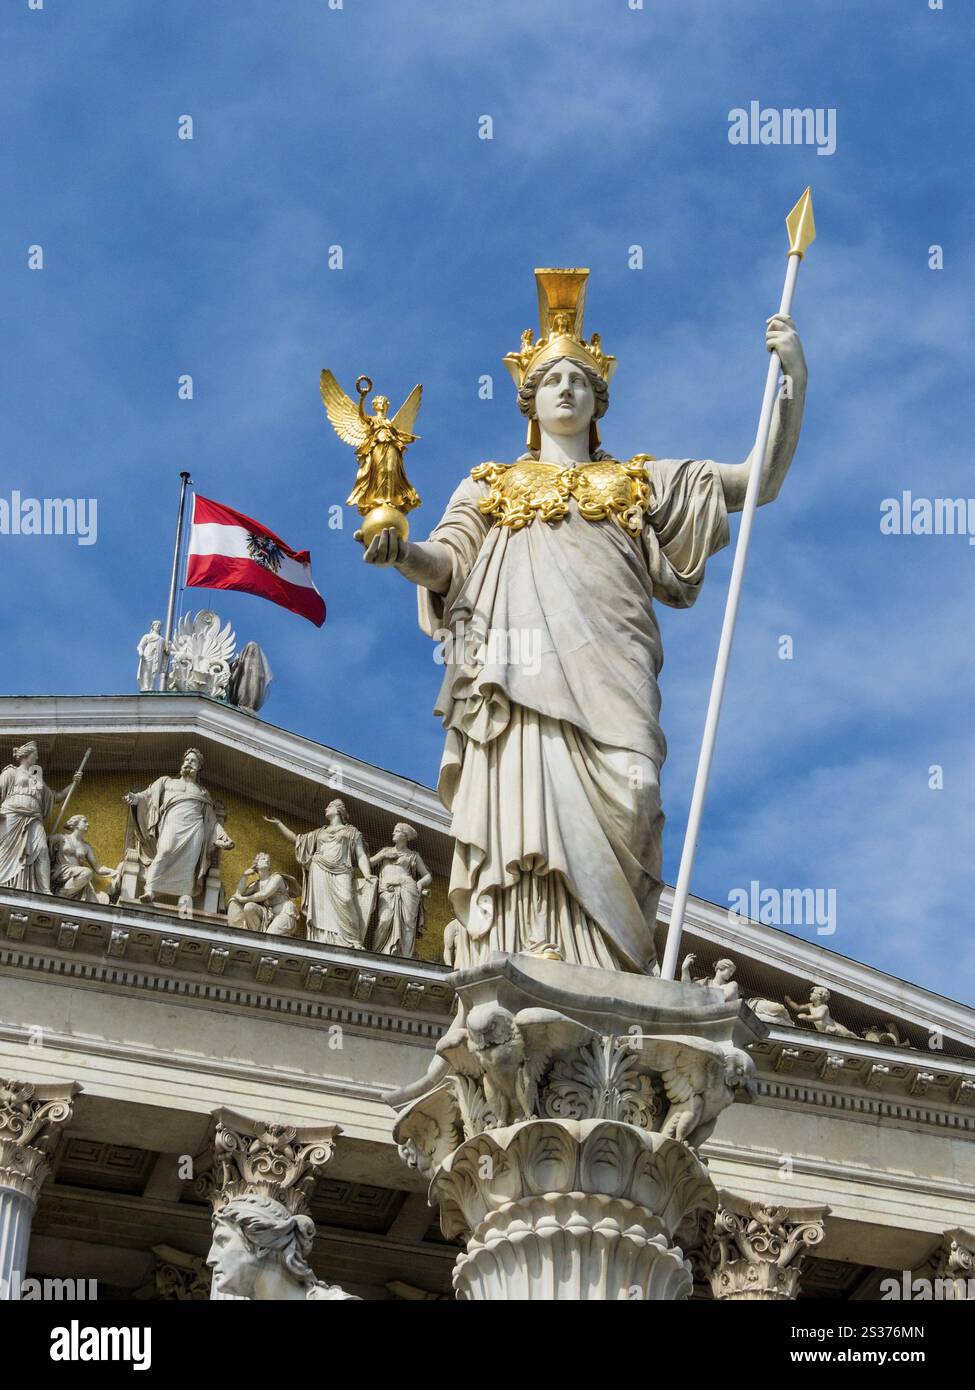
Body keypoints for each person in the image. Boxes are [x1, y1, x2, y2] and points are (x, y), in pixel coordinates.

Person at [356, 269, 806, 974]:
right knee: (527, 808)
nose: (565, 388)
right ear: (528, 401)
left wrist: (791, 385)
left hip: (611, 666)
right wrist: (399, 551)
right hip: (519, 671)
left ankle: (616, 963)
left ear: (598, 399)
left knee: (636, 786)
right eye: (551, 380)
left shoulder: (640, 480)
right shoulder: (490, 485)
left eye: (578, 380)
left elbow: (758, 481)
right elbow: (446, 563)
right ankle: (534, 948)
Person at [124, 747, 234, 912]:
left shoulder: (202, 792)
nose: (189, 763)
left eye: (193, 761)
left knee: (190, 863)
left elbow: (211, 821)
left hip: (195, 828)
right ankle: (150, 890)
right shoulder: (167, 782)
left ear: (199, 768)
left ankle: (185, 896)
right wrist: (135, 799)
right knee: (165, 850)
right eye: (187, 760)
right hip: (172, 823)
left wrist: (223, 836)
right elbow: (147, 796)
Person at [264, 799, 375, 948]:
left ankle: (351, 940)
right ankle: (321, 939)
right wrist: (279, 824)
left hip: (342, 869)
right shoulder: (319, 832)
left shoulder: (351, 832)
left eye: (329, 806)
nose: (326, 809)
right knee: (321, 906)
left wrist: (367, 875)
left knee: (347, 899)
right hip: (319, 869)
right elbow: (297, 840)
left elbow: (360, 855)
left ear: (338, 810)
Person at [0, 741, 81, 892]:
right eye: (35, 755)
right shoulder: (11, 772)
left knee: (42, 849)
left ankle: (45, 890)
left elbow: (56, 796)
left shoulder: (36, 777)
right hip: (11, 815)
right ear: (26, 755)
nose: (36, 758)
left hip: (34, 819)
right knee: (6, 849)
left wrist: (74, 784)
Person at [370, 822, 432, 958]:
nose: (393, 833)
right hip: (387, 890)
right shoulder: (386, 851)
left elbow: (427, 875)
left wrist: (420, 883)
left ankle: (405, 955)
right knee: (384, 920)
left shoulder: (413, 856)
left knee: (408, 925)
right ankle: (379, 952)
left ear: (404, 836)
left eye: (397, 831)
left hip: (408, 890)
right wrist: (382, 856)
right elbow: (369, 863)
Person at [50, 814, 119, 904]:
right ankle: (61, 895)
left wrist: (113, 872)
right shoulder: (60, 838)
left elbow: (98, 867)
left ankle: (63, 894)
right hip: (61, 871)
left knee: (94, 900)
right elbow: (45, 853)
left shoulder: (86, 847)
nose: (88, 824)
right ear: (76, 823)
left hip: (76, 877)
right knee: (87, 872)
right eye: (84, 821)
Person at [227, 851, 300, 936]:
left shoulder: (277, 878)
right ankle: (255, 936)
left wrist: (244, 899)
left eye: (268, 860)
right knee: (249, 907)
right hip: (268, 915)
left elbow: (264, 894)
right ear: (256, 864)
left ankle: (259, 940)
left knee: (270, 938)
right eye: (263, 859)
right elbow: (239, 893)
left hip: (284, 913)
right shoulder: (256, 885)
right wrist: (244, 876)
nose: (267, 860)